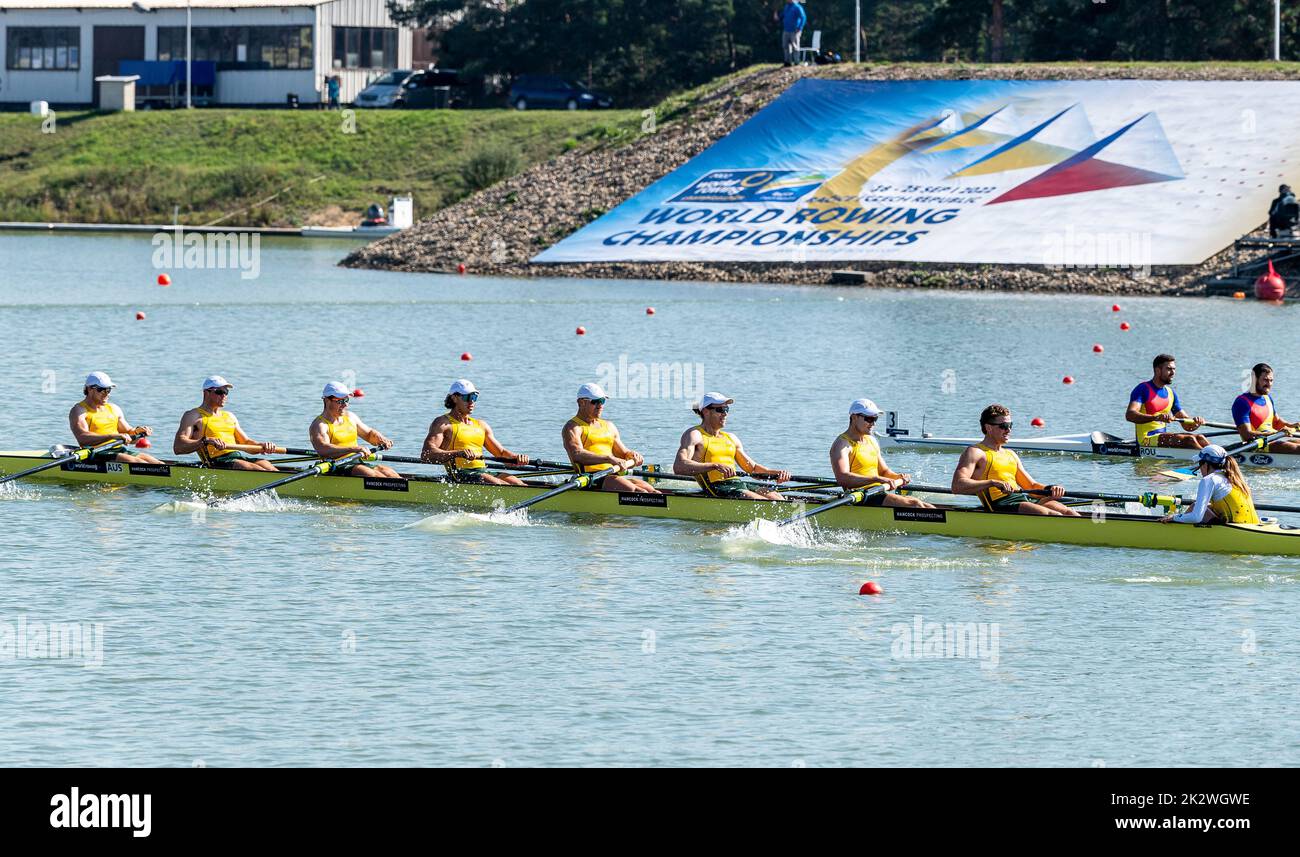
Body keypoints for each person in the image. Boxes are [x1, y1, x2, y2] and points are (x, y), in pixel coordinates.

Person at [952, 404, 1080, 516]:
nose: (1009, 430)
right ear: (988, 427)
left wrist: (1050, 489)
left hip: (1023, 498)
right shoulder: (976, 452)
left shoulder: (1011, 454)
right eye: (1004, 426)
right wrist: (992, 483)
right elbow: (957, 486)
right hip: (1000, 503)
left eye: (1010, 425)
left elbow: (1030, 486)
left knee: (1069, 513)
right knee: (1053, 515)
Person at [673, 392, 790, 500]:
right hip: (716, 487)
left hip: (736, 483)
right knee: (761, 501)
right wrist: (715, 466)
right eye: (720, 409)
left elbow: (752, 469)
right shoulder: (695, 434)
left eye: (726, 409)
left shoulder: (731, 438)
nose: (725, 414)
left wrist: (776, 474)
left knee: (777, 498)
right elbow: (679, 466)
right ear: (706, 411)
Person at [421, 379, 530, 485]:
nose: (471, 401)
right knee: (499, 483)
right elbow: (427, 454)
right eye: (467, 397)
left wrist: (517, 458)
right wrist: (458, 453)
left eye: (474, 397)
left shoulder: (481, 425)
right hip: (459, 474)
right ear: (454, 398)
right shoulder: (443, 423)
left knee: (517, 482)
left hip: (482, 471)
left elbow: (500, 454)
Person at [829, 398, 934, 508]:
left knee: (927, 506)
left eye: (875, 419)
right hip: (859, 496)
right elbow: (843, 478)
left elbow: (883, 471)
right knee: (915, 505)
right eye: (869, 419)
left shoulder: (872, 440)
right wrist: (877, 479)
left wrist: (897, 477)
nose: (873, 424)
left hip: (878, 492)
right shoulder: (842, 445)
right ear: (854, 417)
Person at [562, 383, 660, 493]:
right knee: (639, 492)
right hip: (591, 478)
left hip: (613, 475)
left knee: (652, 490)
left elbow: (623, 454)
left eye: (602, 401)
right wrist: (609, 459)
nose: (600, 405)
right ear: (581, 402)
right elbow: (577, 455)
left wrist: (632, 455)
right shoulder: (573, 427)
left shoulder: (609, 426)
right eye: (595, 402)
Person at [173, 376, 278, 471]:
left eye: (226, 392)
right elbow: (178, 447)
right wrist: (205, 441)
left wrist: (262, 446)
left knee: (267, 464)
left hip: (236, 457)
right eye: (219, 392)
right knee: (253, 468)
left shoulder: (229, 416)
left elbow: (245, 442)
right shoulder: (193, 415)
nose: (224, 395)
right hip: (216, 461)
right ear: (206, 393)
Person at [68, 371, 163, 465]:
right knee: (140, 463)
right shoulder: (79, 411)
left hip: (118, 450)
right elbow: (82, 438)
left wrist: (138, 432)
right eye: (101, 389)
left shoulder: (114, 408)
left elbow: (130, 436)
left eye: (108, 389)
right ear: (89, 389)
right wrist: (113, 436)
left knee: (158, 464)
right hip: (96, 452)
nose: (106, 394)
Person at [309, 382, 401, 479]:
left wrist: (381, 439)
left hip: (356, 461)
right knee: (372, 475)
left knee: (389, 472)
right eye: (340, 401)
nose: (345, 405)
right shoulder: (319, 425)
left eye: (346, 400)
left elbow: (369, 434)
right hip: (335, 465)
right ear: (327, 400)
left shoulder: (350, 417)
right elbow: (323, 450)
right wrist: (354, 449)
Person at [1160, 445, 1260, 525]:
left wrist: (1174, 517)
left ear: (1205, 464)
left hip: (1237, 531)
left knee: (1195, 509)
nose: (1199, 469)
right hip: (1254, 524)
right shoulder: (1234, 478)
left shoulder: (1209, 480)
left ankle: (1178, 531)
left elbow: (1196, 517)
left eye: (1199, 464)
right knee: (1196, 505)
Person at [1125, 353, 1207, 449]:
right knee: (1189, 440)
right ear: (1158, 370)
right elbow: (1130, 415)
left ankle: (1222, 458)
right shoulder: (1143, 389)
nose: (1173, 372)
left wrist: (1196, 423)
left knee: (1200, 438)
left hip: (1161, 437)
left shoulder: (1171, 393)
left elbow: (1187, 427)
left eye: (1174, 369)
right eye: (1169, 369)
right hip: (1146, 440)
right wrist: (1156, 417)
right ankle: (1210, 460)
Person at [1232, 362, 1300, 453]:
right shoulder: (1242, 402)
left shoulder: (1268, 398)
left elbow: (1276, 422)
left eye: (1271, 380)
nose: (1269, 384)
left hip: (1273, 441)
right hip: (1257, 445)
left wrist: (1292, 425)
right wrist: (1275, 433)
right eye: (1265, 380)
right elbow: (1247, 435)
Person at [782, 0, 806, 66]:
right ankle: (787, 62)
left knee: (795, 46)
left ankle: (797, 62)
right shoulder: (786, 7)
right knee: (786, 46)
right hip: (786, 30)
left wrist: (800, 27)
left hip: (795, 31)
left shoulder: (797, 7)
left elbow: (803, 17)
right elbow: (783, 15)